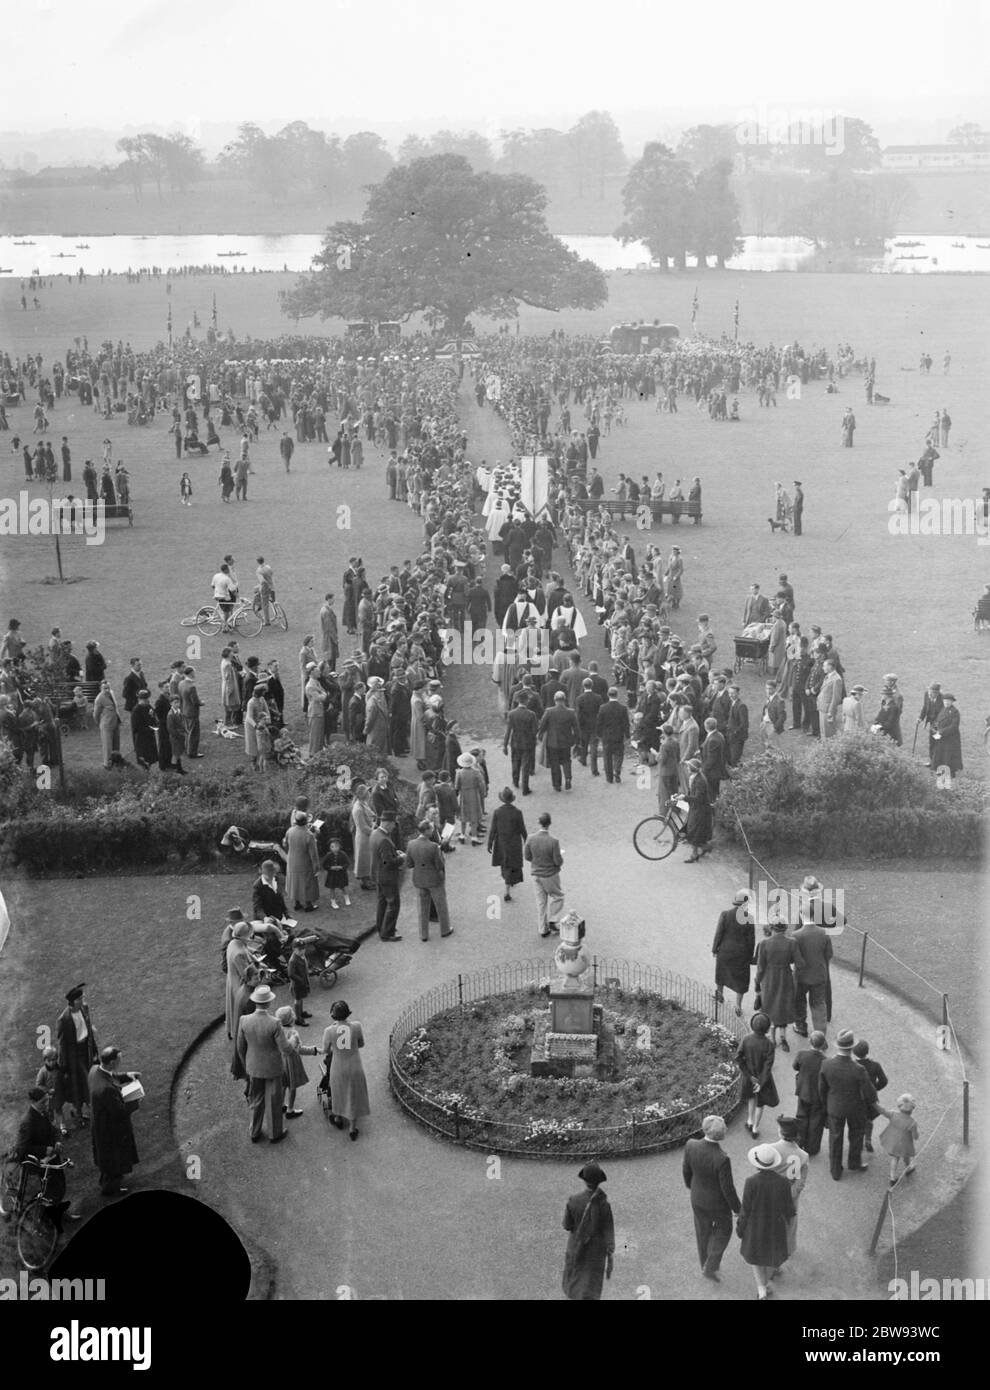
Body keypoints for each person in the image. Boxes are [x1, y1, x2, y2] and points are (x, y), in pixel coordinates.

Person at [681, 1115, 740, 1283]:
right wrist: (738, 1209)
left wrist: (691, 1187)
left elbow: (686, 1170)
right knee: (724, 1230)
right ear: (721, 1135)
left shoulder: (691, 1145)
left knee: (702, 1231)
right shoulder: (722, 1158)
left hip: (697, 1198)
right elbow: (728, 1189)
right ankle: (711, 1265)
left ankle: (703, 1263)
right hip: (717, 1204)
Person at [237, 985, 295, 1144]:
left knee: (256, 1100)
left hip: (253, 1067)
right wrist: (293, 1040)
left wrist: (247, 1064)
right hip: (273, 1068)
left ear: (255, 1002)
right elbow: (286, 1049)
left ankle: (254, 1131)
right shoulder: (275, 1023)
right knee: (274, 1101)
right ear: (268, 1003)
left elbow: (240, 1048)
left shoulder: (244, 1020)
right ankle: (275, 1133)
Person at [737, 1144, 795, 1300]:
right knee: (771, 1257)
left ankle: (761, 1289)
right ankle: (766, 1283)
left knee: (755, 1259)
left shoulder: (751, 1182)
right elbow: (789, 1208)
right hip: (775, 1226)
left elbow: (745, 1209)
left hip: (755, 1227)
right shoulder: (783, 1182)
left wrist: (740, 1229)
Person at [819, 1028, 878, 1180]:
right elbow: (870, 1093)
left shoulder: (826, 1065)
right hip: (855, 1108)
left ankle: (835, 1170)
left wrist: (826, 1106)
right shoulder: (859, 1069)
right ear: (851, 1048)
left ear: (838, 1046)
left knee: (835, 1137)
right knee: (857, 1135)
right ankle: (854, 1162)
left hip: (835, 1107)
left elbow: (822, 1090)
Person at [88, 1046, 141, 1196]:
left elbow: (112, 1076)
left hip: (101, 1126)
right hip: (110, 1131)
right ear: (111, 1062)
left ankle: (106, 1181)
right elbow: (120, 1112)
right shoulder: (107, 1089)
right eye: (118, 1060)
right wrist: (135, 1100)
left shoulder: (94, 1071)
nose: (120, 1062)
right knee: (115, 1159)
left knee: (106, 1159)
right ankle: (112, 1188)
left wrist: (126, 1075)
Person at [561, 1161, 615, 1301]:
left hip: (577, 1247)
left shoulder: (573, 1201)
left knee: (575, 1280)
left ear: (584, 1181)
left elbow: (567, 1225)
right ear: (599, 1182)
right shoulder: (604, 1204)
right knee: (591, 1284)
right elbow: (608, 1229)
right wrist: (610, 1249)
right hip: (595, 1252)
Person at [322, 1000, 370, 1140]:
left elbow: (326, 1050)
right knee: (353, 1093)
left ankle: (337, 1118)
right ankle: (352, 1128)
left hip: (338, 1065)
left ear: (333, 1015)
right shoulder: (356, 1026)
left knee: (338, 1091)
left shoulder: (329, 1031)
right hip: (354, 1064)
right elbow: (361, 1044)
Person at [56, 983, 98, 1127]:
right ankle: (82, 1112)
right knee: (83, 1082)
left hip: (87, 1049)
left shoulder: (84, 1008)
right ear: (73, 1001)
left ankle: (82, 1111)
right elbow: (62, 1044)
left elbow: (89, 1032)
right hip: (75, 1056)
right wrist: (64, 1065)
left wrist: (95, 1051)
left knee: (90, 1079)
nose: (83, 1001)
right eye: (80, 999)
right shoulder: (64, 1019)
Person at [405, 821, 452, 940]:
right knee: (441, 905)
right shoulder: (433, 846)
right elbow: (439, 865)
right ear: (426, 831)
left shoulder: (410, 844)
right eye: (431, 829)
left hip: (419, 880)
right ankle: (445, 929)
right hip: (434, 880)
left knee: (422, 908)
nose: (432, 831)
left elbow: (409, 864)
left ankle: (423, 934)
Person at [712, 890, 755, 1016]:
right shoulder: (749, 918)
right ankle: (738, 1006)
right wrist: (749, 956)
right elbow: (751, 940)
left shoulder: (725, 914)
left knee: (721, 975)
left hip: (725, 952)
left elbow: (718, 933)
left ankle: (719, 996)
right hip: (741, 954)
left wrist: (715, 949)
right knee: (740, 980)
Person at [737, 1011, 778, 1138]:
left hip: (750, 1076)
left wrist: (748, 1075)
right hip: (762, 1079)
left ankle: (749, 1120)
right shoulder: (769, 1044)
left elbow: (738, 1058)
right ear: (766, 1028)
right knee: (760, 1103)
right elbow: (768, 1066)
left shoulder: (746, 1039)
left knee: (750, 1097)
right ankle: (755, 1128)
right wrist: (761, 1082)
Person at [524, 812, 565, 938]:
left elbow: (527, 856)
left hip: (536, 874)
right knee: (558, 896)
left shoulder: (530, 838)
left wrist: (537, 862)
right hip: (550, 875)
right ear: (549, 823)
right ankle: (553, 919)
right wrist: (559, 859)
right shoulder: (553, 841)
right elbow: (558, 861)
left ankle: (542, 928)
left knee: (541, 902)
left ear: (539, 822)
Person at [275, 1006, 318, 1117]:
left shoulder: (278, 1031)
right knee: (292, 1087)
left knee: (283, 1085)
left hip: (281, 1061)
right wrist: (315, 1050)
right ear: (291, 1019)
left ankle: (280, 1105)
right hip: (292, 1062)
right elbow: (299, 1049)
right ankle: (290, 1109)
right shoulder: (293, 1033)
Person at [487, 786, 528, 903]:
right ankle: (509, 886)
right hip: (514, 842)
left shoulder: (498, 812)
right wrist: (527, 841)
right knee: (513, 864)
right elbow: (522, 829)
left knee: (505, 864)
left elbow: (493, 829)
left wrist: (490, 843)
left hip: (502, 842)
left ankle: (507, 888)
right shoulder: (517, 812)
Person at [792, 1031, 829, 1157]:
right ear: (823, 1044)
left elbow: (795, 1067)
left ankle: (800, 1142)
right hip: (818, 1096)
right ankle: (812, 1148)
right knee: (816, 1122)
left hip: (803, 1092)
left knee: (801, 1117)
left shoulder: (801, 1054)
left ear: (810, 1042)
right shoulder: (825, 1061)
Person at [369, 814, 405, 941]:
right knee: (393, 904)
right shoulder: (384, 839)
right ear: (388, 823)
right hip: (387, 877)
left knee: (382, 902)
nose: (394, 828)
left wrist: (395, 853)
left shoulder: (374, 834)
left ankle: (381, 927)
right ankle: (388, 933)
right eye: (393, 824)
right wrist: (401, 858)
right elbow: (388, 863)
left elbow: (382, 856)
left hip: (378, 874)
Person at [538, 690, 580, 792]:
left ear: (555, 700)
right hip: (566, 742)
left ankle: (557, 784)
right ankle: (568, 778)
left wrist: (540, 735)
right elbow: (576, 729)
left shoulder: (549, 711)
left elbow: (542, 726)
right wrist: (575, 741)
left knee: (555, 763)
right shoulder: (571, 712)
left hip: (552, 742)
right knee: (566, 760)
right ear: (564, 700)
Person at [852, 1039, 889, 1153]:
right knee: (869, 1119)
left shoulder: (852, 1065)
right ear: (867, 1052)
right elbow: (884, 1080)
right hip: (870, 1098)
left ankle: (857, 1140)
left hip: (856, 1098)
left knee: (856, 1120)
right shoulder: (875, 1065)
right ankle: (867, 1138)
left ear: (854, 1053)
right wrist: (874, 1088)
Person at [878, 1094, 919, 1187]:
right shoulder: (912, 1122)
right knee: (906, 1156)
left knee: (895, 1158)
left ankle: (893, 1177)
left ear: (899, 1106)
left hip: (892, 1141)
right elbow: (915, 1136)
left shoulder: (893, 1114)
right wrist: (916, 1133)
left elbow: (883, 1111)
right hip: (904, 1145)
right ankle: (908, 1168)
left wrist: (875, 1104)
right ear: (912, 1108)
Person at [283, 811, 320, 911]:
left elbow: (285, 844)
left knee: (295, 882)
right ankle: (308, 905)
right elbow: (313, 854)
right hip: (305, 862)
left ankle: (297, 903)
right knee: (307, 882)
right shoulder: (309, 835)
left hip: (292, 861)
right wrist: (316, 866)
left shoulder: (289, 831)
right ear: (305, 822)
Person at [595, 686, 631, 784]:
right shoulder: (622, 708)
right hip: (618, 735)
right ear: (617, 695)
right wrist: (627, 735)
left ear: (608, 695)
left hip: (606, 736)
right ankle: (617, 770)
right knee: (619, 754)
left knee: (607, 757)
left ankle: (609, 778)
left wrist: (598, 734)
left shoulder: (603, 708)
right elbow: (626, 723)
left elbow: (599, 722)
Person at [503, 694, 538, 795]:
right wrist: (532, 738)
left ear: (518, 701)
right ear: (526, 701)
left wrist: (505, 745)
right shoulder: (531, 714)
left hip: (515, 742)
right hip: (527, 743)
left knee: (515, 762)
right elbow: (535, 730)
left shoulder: (512, 714)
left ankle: (515, 781)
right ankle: (525, 788)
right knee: (525, 766)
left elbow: (508, 731)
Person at [682, 759, 713, 863]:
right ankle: (703, 848)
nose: (687, 768)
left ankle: (698, 852)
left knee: (693, 830)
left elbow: (698, 798)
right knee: (694, 830)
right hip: (696, 808)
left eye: (688, 767)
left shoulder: (700, 781)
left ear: (692, 768)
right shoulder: (695, 777)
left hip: (701, 810)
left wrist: (684, 798)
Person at [455, 751, 486, 844]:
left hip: (463, 795)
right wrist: (482, 793)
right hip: (473, 793)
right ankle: (474, 837)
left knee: (463, 815)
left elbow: (457, 786)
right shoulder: (476, 772)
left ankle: (462, 835)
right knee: (474, 816)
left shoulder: (459, 773)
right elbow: (481, 784)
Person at [350, 782, 376, 890]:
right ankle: (365, 882)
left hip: (368, 836)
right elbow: (363, 827)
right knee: (363, 859)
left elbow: (372, 815)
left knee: (368, 859)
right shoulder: (357, 809)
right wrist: (375, 832)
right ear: (362, 794)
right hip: (363, 838)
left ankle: (368, 880)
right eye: (367, 791)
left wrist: (375, 820)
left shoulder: (363, 803)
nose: (369, 793)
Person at [931, 692, 962, 780]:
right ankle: (940, 771)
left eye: (948, 701)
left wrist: (941, 732)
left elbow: (954, 726)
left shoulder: (955, 712)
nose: (946, 703)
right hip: (941, 738)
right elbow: (937, 721)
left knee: (948, 756)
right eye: (945, 701)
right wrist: (934, 729)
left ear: (952, 702)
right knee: (940, 754)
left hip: (950, 739)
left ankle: (950, 773)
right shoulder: (943, 710)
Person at [322, 836, 352, 909]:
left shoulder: (343, 854)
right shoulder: (328, 855)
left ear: (339, 846)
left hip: (341, 874)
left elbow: (347, 863)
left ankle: (347, 898)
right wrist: (330, 868)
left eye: (336, 846)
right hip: (332, 875)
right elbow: (324, 864)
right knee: (332, 888)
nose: (334, 848)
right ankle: (333, 902)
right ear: (330, 847)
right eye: (332, 847)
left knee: (343, 887)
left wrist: (341, 867)